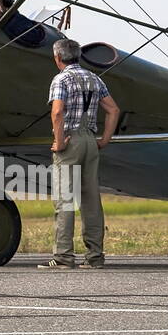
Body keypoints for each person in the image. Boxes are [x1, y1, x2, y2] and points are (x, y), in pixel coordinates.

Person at [39, 38, 120, 269]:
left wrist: (59, 142)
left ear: (57, 58)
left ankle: (64, 256)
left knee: (65, 200)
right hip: (89, 140)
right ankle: (95, 256)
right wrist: (104, 139)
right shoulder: (94, 78)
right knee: (91, 200)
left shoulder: (60, 79)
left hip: (70, 140)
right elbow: (113, 110)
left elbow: (57, 112)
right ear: (78, 56)